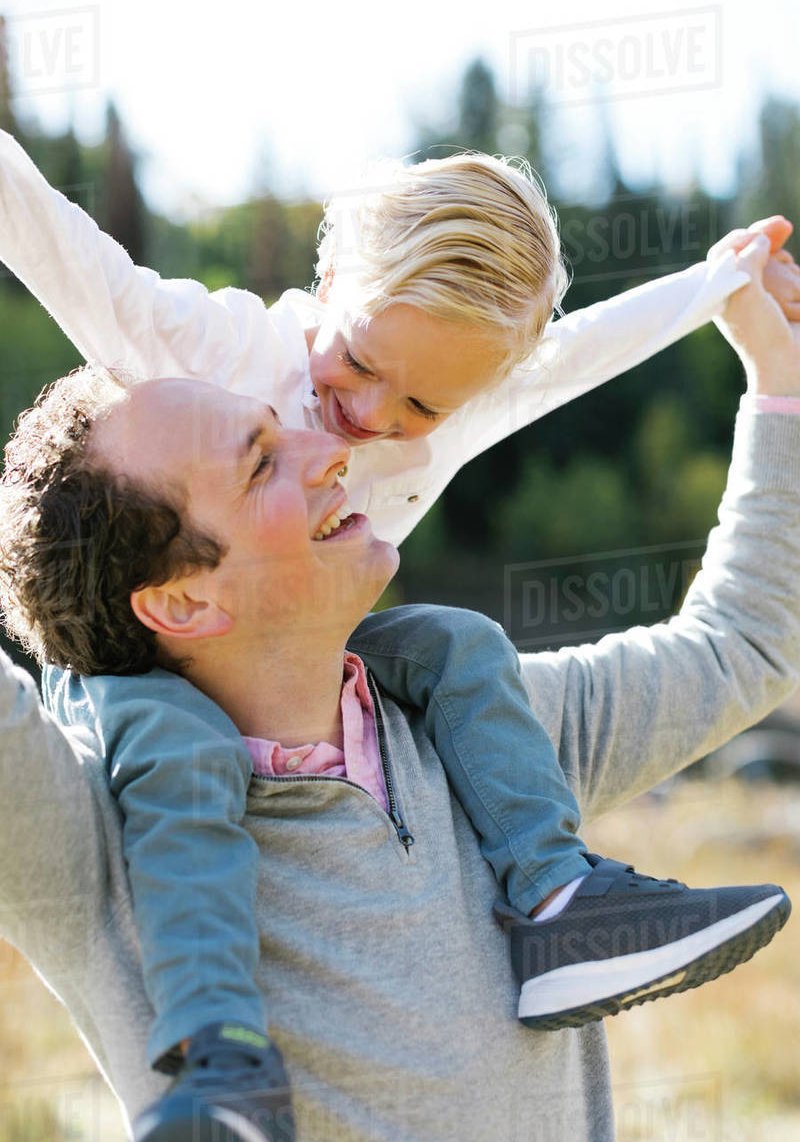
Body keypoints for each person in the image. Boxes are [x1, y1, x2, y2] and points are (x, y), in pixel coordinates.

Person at [1, 130, 800, 1137]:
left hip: (436, 700)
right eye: (256, 458)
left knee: (452, 638)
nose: (344, 439)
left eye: (420, 404)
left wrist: (761, 353)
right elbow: (55, 243)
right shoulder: (85, 821)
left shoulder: (489, 746)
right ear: (177, 599)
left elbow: (744, 643)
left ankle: (560, 905)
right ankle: (221, 1067)